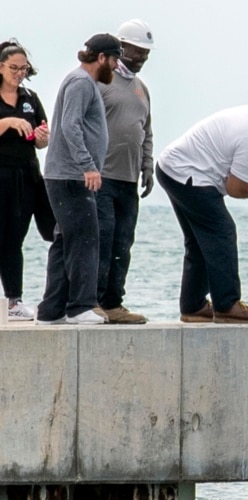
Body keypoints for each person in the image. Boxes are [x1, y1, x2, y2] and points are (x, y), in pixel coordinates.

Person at [156, 91, 248, 324]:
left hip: (171, 168)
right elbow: (236, 189)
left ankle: (193, 307)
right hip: (187, 175)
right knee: (222, 231)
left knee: (199, 241)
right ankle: (227, 305)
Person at [37, 34, 124, 325]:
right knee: (86, 240)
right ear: (101, 57)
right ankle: (79, 307)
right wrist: (88, 165)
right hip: (71, 176)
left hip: (67, 175)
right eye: (113, 59)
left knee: (66, 242)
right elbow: (70, 125)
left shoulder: (84, 83)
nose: (115, 66)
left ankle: (52, 311)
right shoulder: (80, 83)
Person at [94, 19, 155, 324]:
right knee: (102, 238)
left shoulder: (141, 89)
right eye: (137, 51)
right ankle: (92, 301)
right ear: (121, 47)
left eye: (146, 53)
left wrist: (148, 166)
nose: (142, 57)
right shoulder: (101, 82)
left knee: (122, 242)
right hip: (101, 176)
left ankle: (114, 303)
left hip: (129, 179)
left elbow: (146, 131)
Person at [0, 38, 49, 321]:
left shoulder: (29, 98)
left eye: (24, 68)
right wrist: (6, 123)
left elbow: (42, 137)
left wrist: (42, 138)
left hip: (26, 175)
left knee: (15, 239)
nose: (19, 73)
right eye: (14, 68)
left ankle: (15, 300)